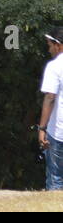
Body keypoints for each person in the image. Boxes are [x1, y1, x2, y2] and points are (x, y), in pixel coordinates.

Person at [39, 25, 63, 191]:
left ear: (58, 45)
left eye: (49, 45)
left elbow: (50, 98)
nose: (49, 50)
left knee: (56, 179)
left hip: (59, 132)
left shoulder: (55, 66)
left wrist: (42, 128)